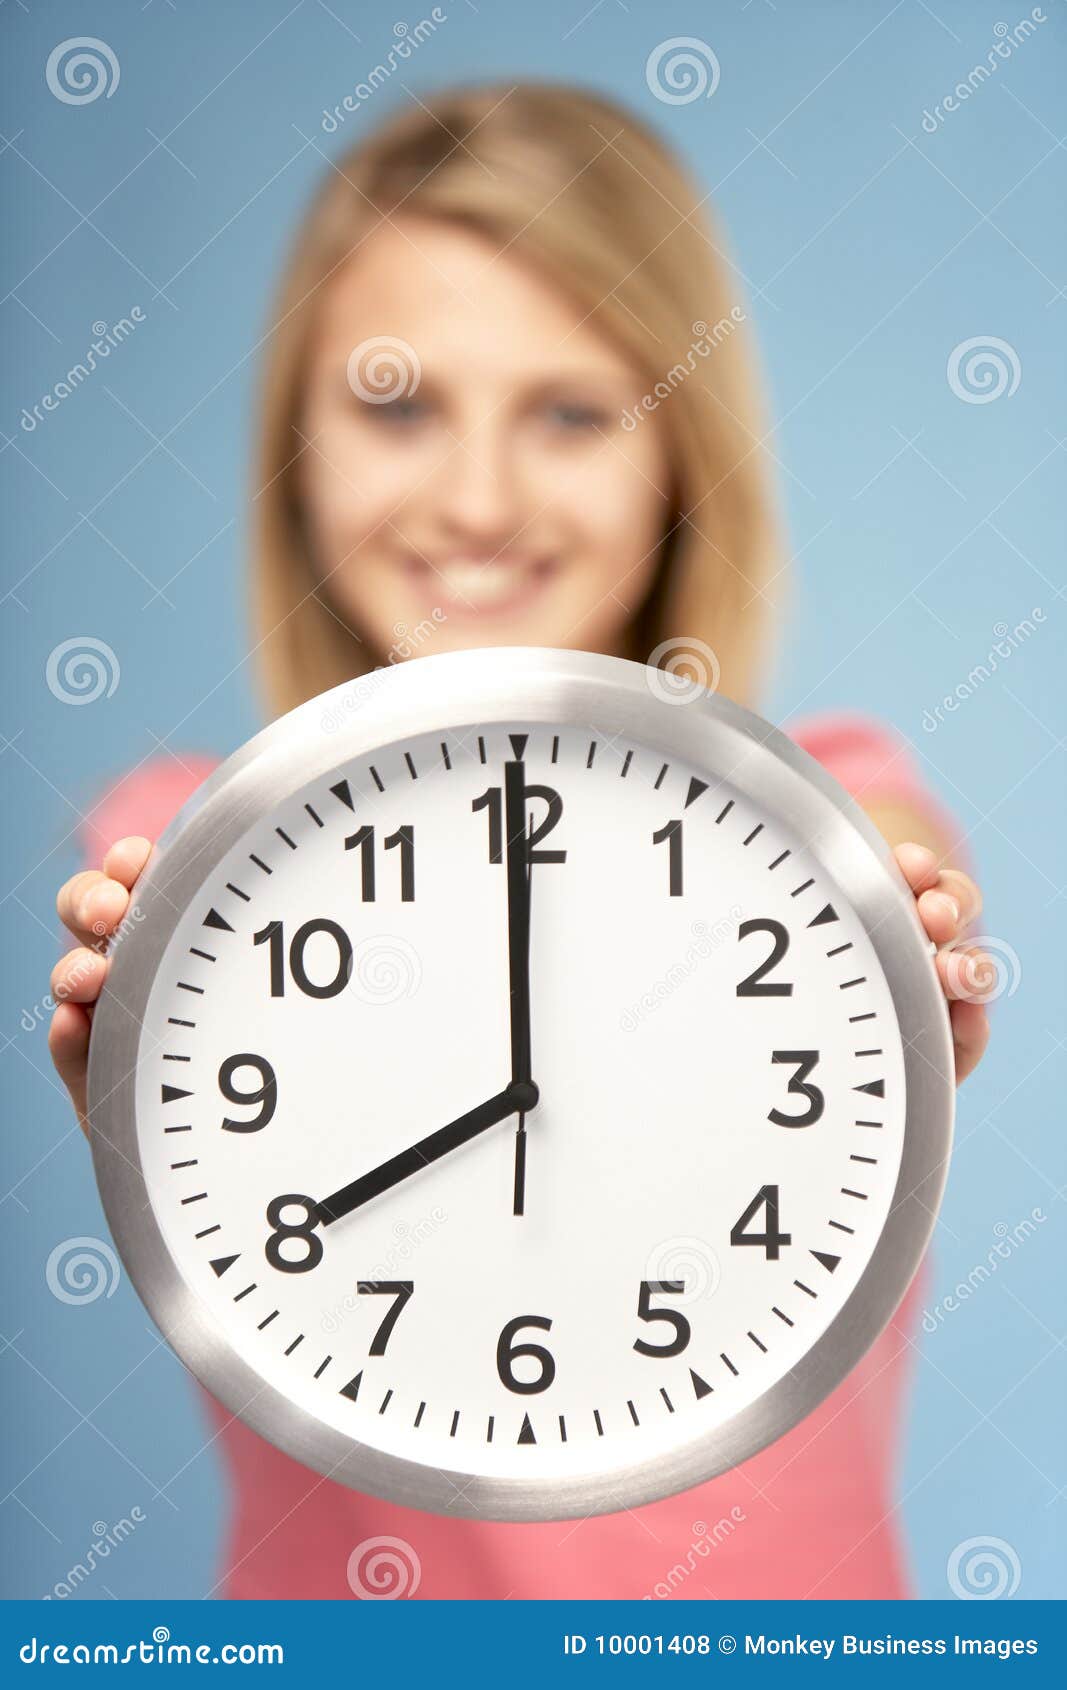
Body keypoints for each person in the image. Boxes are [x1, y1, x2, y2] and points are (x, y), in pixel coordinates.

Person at [47, 84, 991, 1600]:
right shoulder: (179, 858)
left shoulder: (829, 811)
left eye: (569, 412)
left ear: (680, 448)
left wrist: (879, 935)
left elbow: (876, 845)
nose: (477, 498)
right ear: (296, 439)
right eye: (398, 404)